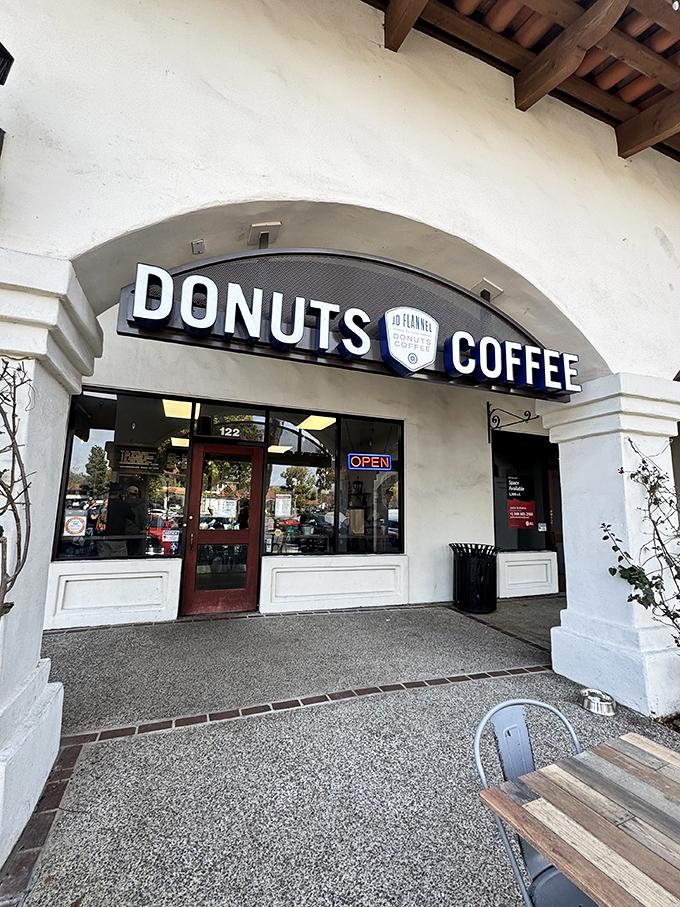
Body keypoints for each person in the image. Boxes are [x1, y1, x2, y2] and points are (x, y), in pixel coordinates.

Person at [97, 483, 135, 558]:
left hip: (104, 536)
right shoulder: (123, 505)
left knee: (104, 560)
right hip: (118, 537)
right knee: (119, 560)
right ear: (118, 493)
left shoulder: (104, 504)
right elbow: (132, 516)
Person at [124, 485, 147, 556]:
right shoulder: (142, 505)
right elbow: (145, 519)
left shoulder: (124, 504)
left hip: (126, 531)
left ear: (128, 493)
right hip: (137, 532)